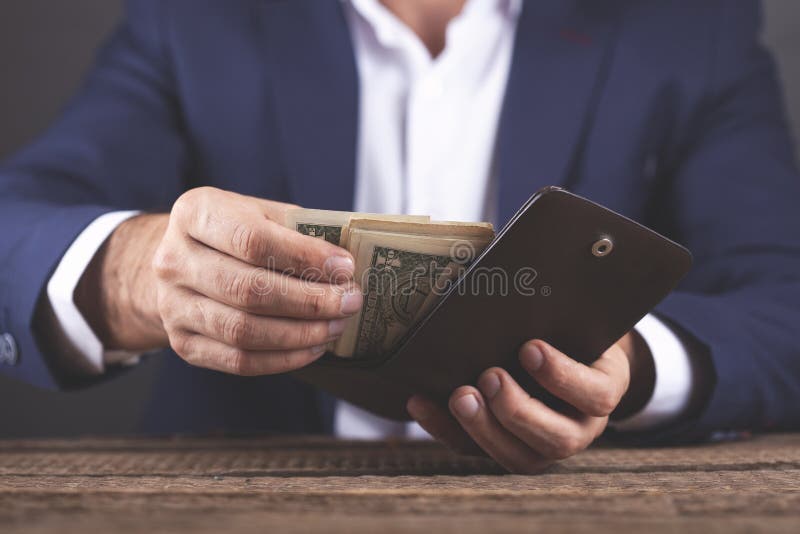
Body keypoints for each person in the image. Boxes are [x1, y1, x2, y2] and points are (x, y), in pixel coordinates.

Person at [1, 0, 799, 474]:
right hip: (243, 500)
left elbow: (784, 303)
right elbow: (16, 227)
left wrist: (631, 361)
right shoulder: (197, 18)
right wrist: (136, 271)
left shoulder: (688, 26)